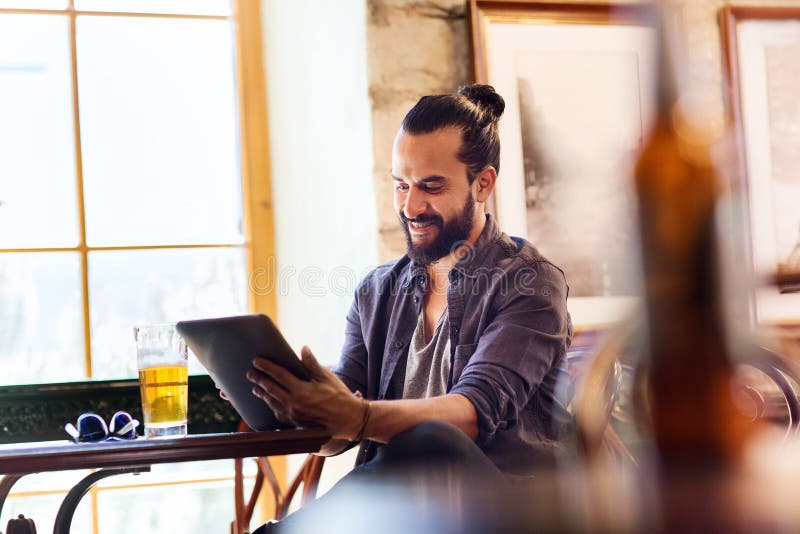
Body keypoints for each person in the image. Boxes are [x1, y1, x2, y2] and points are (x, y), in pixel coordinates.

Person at [247, 84, 573, 531]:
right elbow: (338, 434)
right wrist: (295, 405)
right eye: (401, 185)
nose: (410, 206)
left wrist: (360, 417)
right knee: (412, 447)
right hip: (402, 516)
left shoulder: (530, 282)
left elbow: (474, 413)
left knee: (434, 439)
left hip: (503, 512)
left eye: (431, 186)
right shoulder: (377, 290)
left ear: (484, 183)